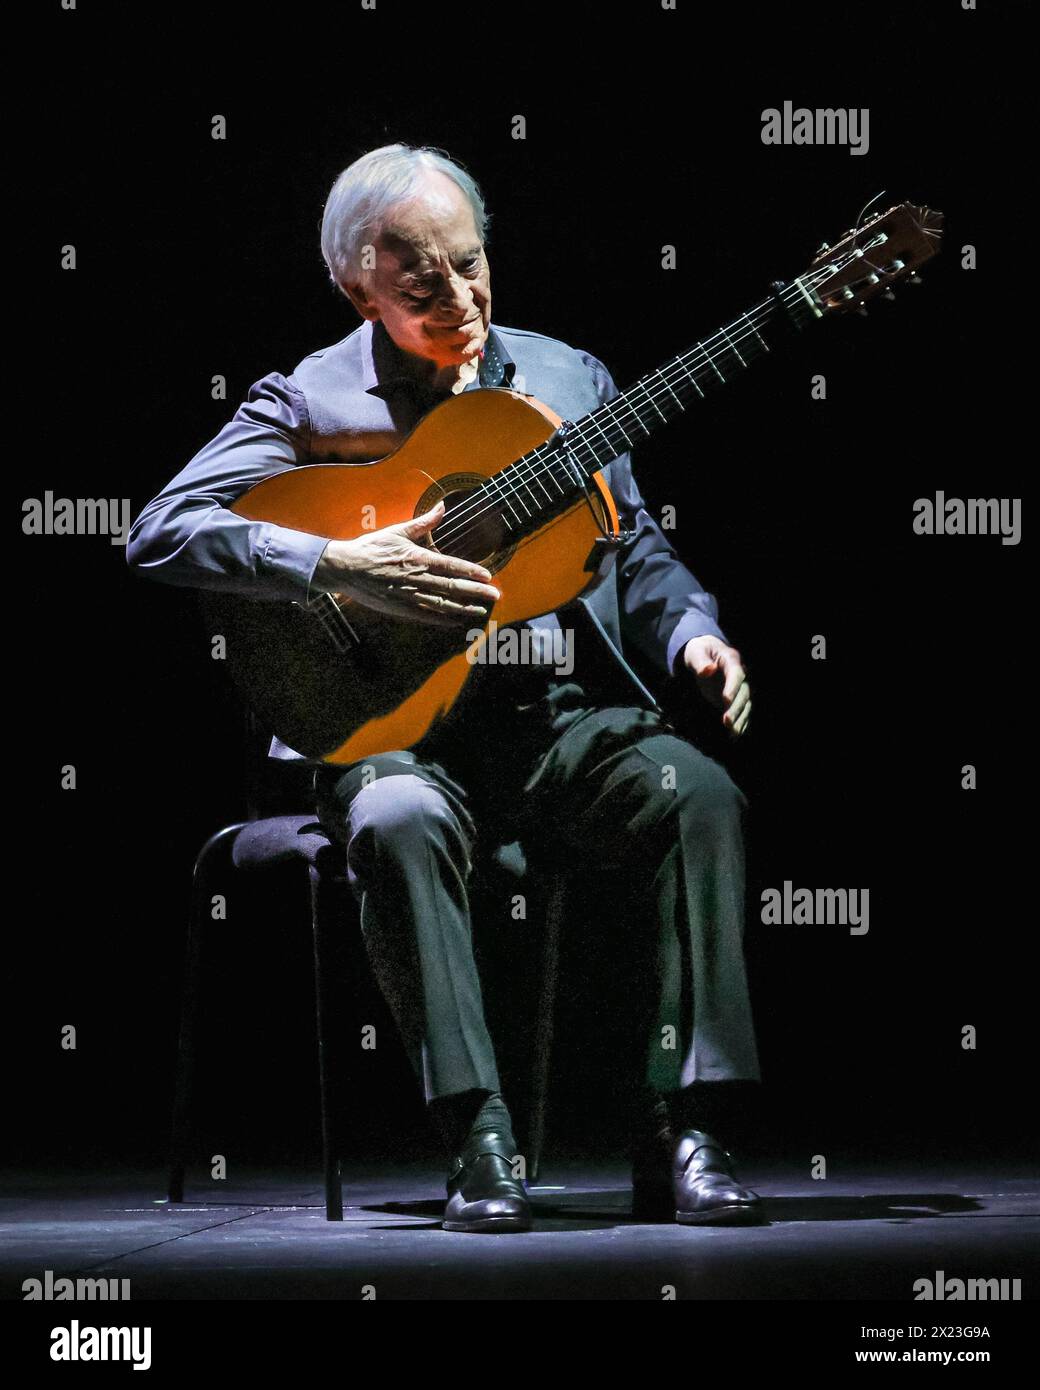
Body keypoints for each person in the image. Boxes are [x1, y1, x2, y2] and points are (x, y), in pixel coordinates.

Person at [127, 143, 764, 1234]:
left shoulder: (568, 380)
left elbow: (640, 550)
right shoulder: (310, 398)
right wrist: (334, 562)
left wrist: (694, 634)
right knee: (399, 815)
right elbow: (159, 531)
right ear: (357, 285)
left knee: (694, 790)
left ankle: (686, 1129)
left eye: (472, 266)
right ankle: (478, 1139)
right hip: (391, 728)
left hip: (552, 719)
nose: (460, 301)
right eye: (421, 284)